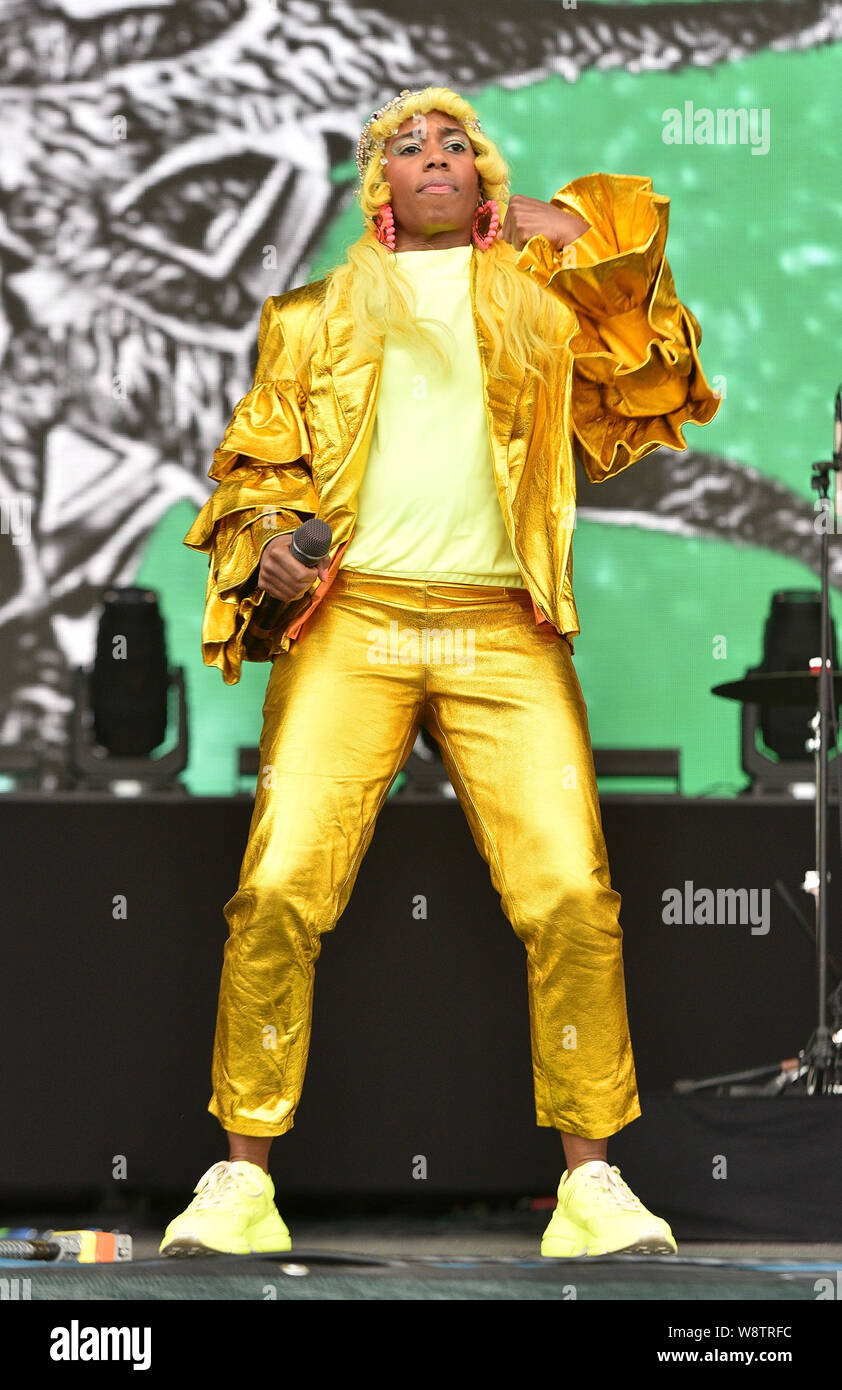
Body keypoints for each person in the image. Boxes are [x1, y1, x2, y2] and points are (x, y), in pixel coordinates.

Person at [160, 85, 720, 1259]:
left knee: (570, 894)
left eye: (452, 143)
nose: (429, 157)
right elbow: (258, 470)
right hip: (352, 622)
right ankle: (238, 1179)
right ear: (376, 187)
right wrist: (268, 546)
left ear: (483, 178)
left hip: (498, 626)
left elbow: (651, 351)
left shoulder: (534, 298)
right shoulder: (308, 317)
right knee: (275, 891)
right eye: (404, 146)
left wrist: (571, 234)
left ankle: (591, 1187)